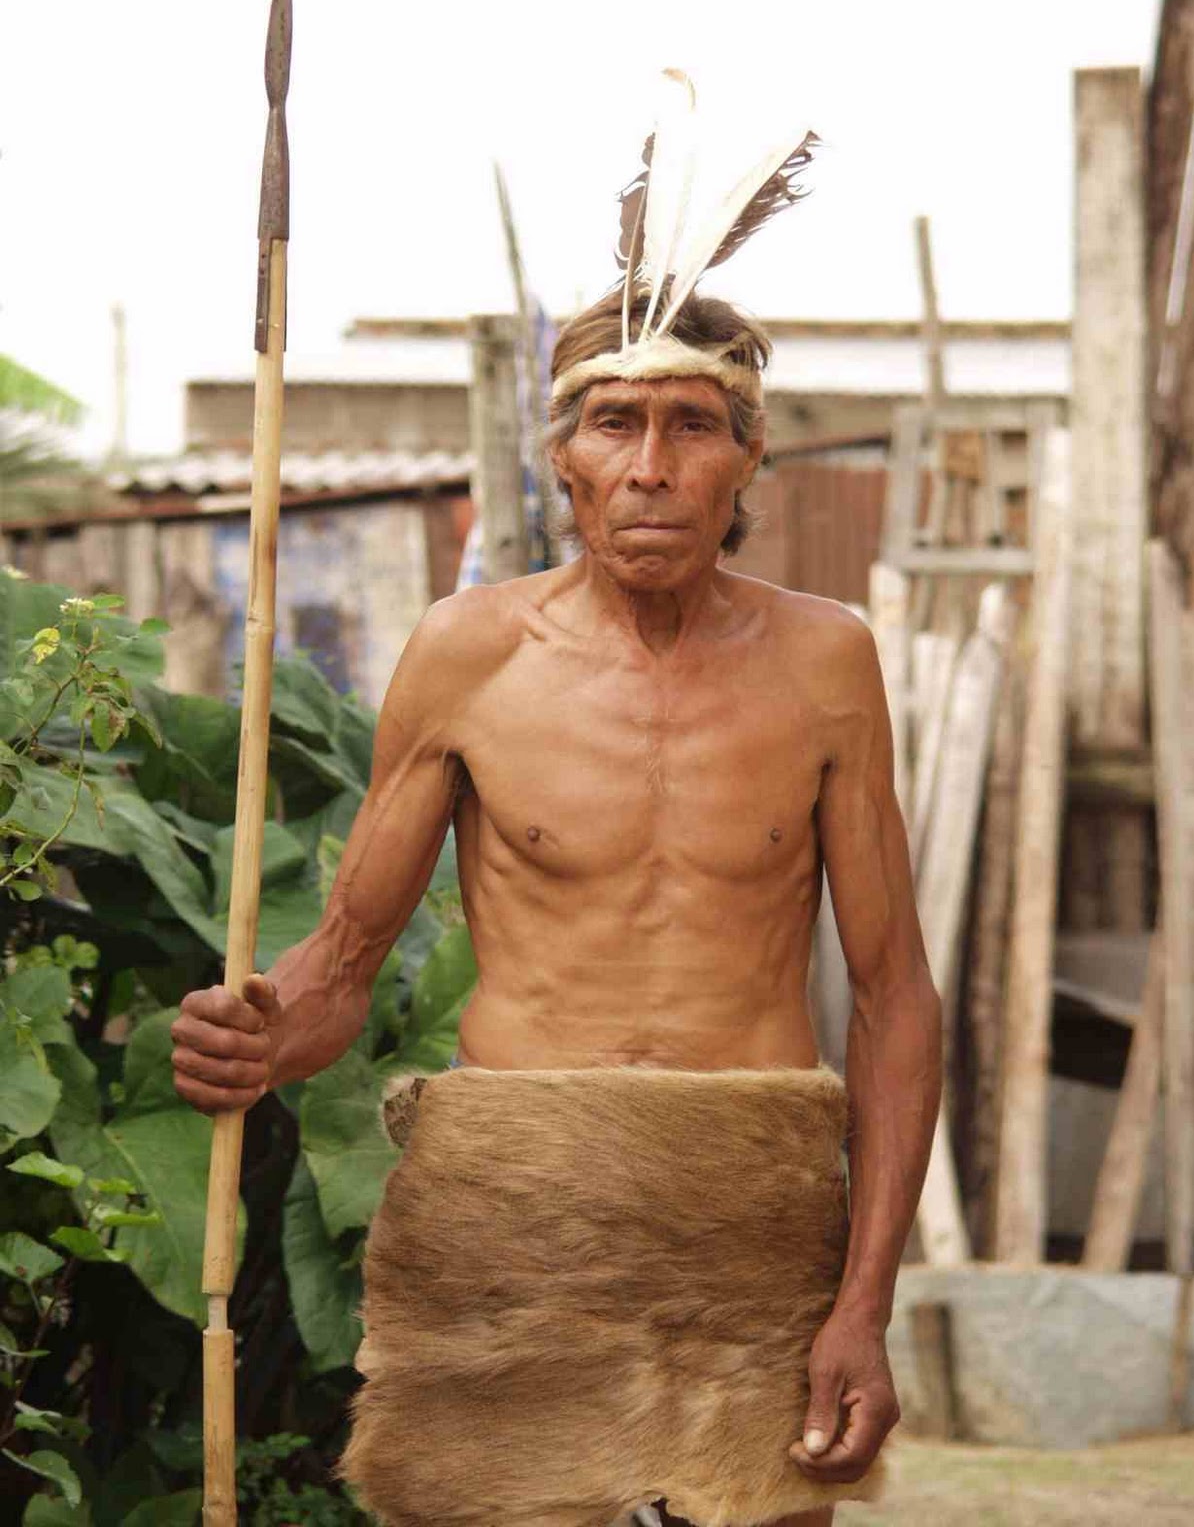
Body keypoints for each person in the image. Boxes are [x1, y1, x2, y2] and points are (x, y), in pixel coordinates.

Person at [172, 282, 941, 1527]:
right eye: (613, 424)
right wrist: (254, 1033)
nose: (649, 467)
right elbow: (343, 967)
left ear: (750, 459)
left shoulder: (827, 663)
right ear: (561, 457)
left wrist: (864, 1303)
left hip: (744, 1225)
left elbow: (897, 998)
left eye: (692, 426)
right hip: (515, 1219)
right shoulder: (469, 651)